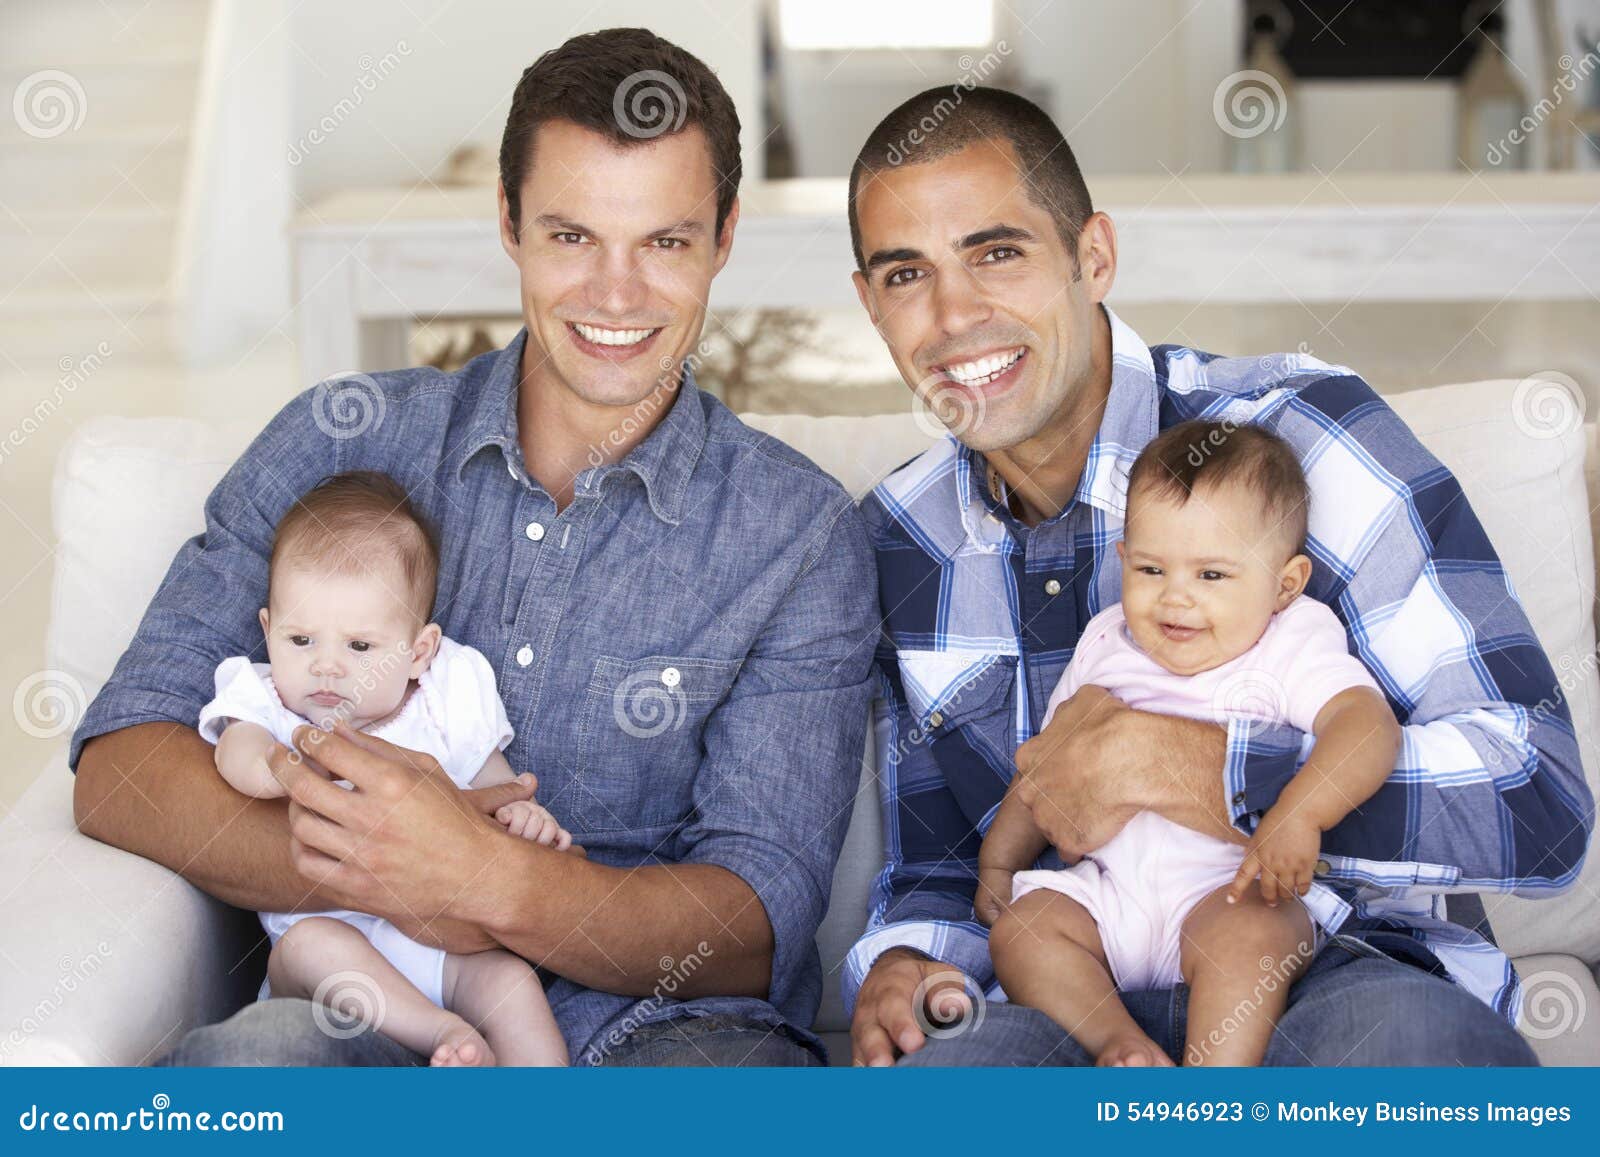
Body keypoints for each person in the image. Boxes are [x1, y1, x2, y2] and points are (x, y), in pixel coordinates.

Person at [71, 28, 878, 1067]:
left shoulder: (797, 533)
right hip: (359, 992)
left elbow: (755, 918)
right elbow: (121, 764)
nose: (616, 294)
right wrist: (387, 870)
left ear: (723, 237)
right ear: (508, 224)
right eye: (571, 235)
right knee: (253, 1068)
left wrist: (487, 881)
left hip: (667, 1034)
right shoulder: (338, 439)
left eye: (664, 242)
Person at [842, 85, 1590, 1067]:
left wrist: (1197, 768)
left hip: (1334, 965)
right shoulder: (899, 536)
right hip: (1074, 986)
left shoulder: (1305, 441)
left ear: (1092, 255)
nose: (952, 315)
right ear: (869, 303)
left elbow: (1537, 802)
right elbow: (942, 870)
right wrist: (907, 964)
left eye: (995, 252)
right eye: (906, 274)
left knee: (1408, 1051)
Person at [980, 422, 1400, 1067]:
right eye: (1151, 568)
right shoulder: (1106, 642)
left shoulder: (1291, 641)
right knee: (1024, 931)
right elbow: (1044, 770)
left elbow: (1365, 725)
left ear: (1285, 585)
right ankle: (1119, 1043)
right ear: (1122, 559)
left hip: (1226, 893)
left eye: (1211, 573)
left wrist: (1302, 813)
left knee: (1258, 933)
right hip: (1110, 897)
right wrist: (999, 866)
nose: (1175, 596)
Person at [201, 471, 571, 1067]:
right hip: (335, 959)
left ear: (419, 651)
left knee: (511, 984)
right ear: (268, 631)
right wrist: (279, 767)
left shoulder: (447, 689)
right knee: (306, 945)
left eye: (360, 648)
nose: (325, 668)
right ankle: (444, 1034)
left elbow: (492, 779)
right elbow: (233, 750)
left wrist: (521, 814)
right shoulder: (266, 700)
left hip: (447, 945)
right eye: (300, 640)